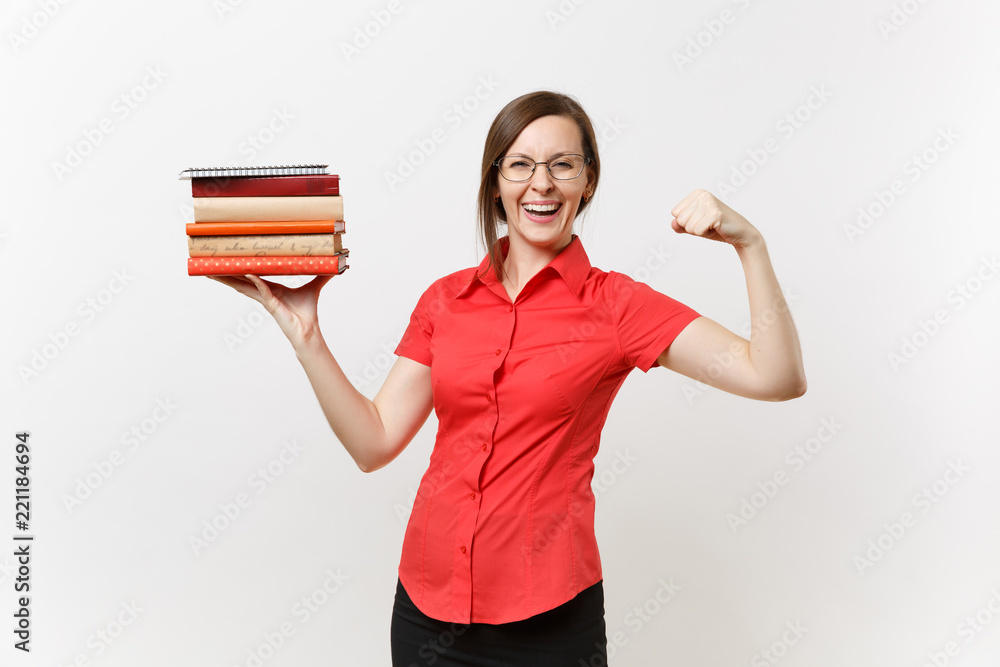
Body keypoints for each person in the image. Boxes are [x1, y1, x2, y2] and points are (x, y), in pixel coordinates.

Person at [208, 90, 806, 666]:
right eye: (519, 164)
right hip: (426, 609)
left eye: (562, 165)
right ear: (496, 185)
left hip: (548, 622)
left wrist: (749, 245)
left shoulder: (618, 306)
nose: (540, 183)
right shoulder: (445, 301)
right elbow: (374, 443)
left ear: (587, 182)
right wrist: (305, 333)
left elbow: (774, 376)